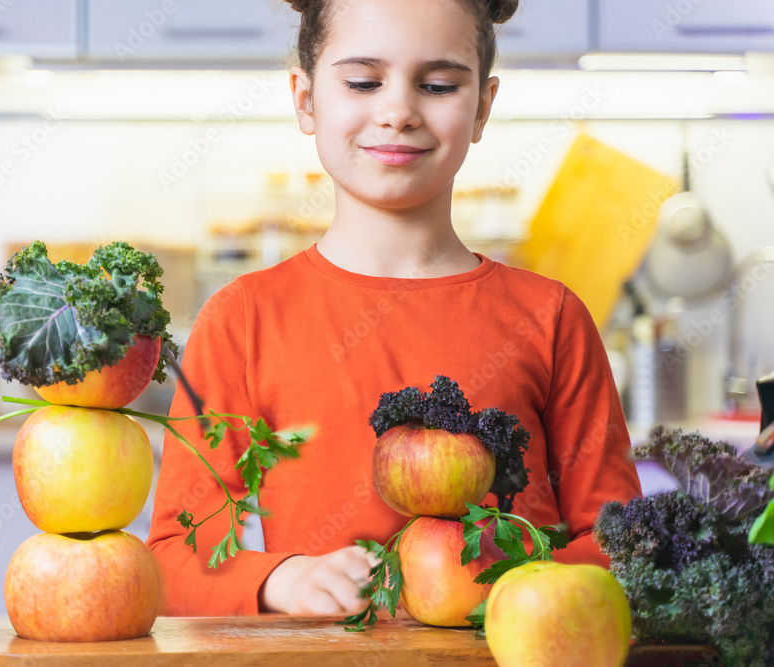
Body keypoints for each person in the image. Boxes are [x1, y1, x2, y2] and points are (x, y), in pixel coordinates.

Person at [146, 0, 643, 618]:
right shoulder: (243, 320)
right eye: (362, 82)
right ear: (305, 98)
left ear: (483, 105)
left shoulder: (552, 316)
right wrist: (283, 579)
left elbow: (621, 544)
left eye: (437, 85)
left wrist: (507, 585)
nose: (399, 112)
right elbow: (173, 559)